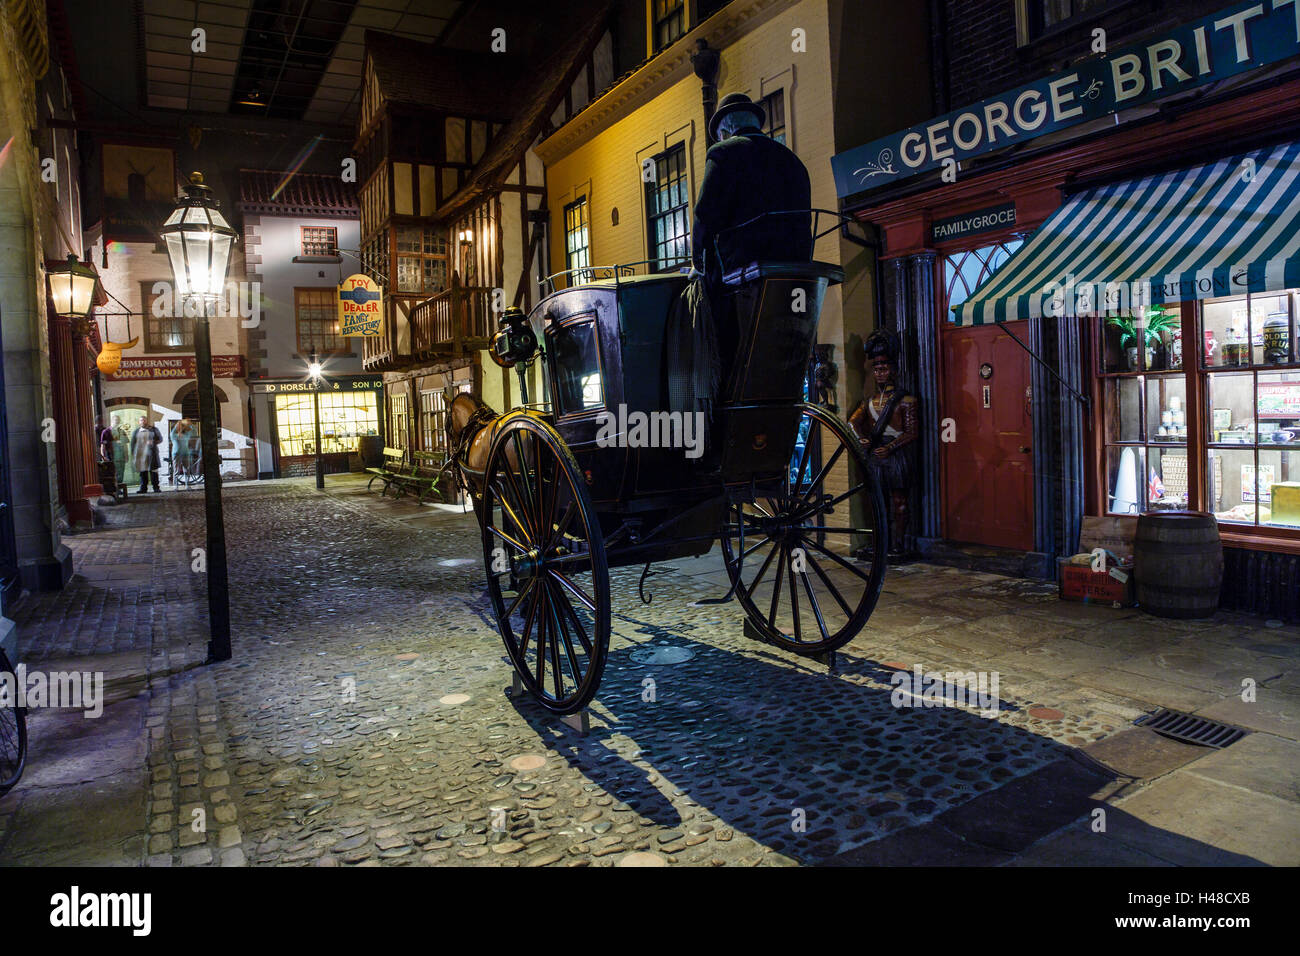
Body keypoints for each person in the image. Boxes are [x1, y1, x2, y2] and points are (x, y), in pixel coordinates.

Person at [690, 92, 813, 289]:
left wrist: (699, 264)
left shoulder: (722, 152)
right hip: (794, 268)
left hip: (743, 269)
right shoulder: (793, 161)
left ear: (725, 131)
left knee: (695, 298)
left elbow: (704, 216)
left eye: (720, 136)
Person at [848, 329, 919, 559]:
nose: (880, 373)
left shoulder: (906, 401)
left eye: (884, 369)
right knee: (876, 502)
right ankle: (881, 542)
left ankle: (898, 544)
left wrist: (889, 447)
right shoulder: (868, 401)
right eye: (877, 369)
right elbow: (852, 422)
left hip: (895, 454)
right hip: (875, 454)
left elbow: (911, 432)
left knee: (899, 501)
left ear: (893, 371)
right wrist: (862, 439)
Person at [130, 415, 163, 493]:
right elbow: (132, 443)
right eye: (141, 420)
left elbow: (160, 439)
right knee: (142, 472)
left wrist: (153, 442)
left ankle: (156, 488)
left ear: (147, 421)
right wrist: (133, 454)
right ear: (139, 422)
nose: (143, 422)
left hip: (152, 454)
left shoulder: (154, 430)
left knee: (154, 471)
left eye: (144, 420)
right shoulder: (136, 431)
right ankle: (143, 488)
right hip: (141, 455)